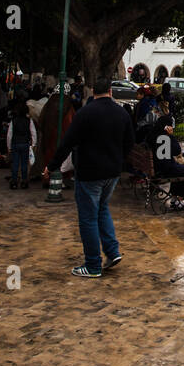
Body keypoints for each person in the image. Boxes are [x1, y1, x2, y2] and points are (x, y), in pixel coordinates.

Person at [46, 78, 134, 278]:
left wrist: (52, 166)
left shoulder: (85, 113)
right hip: (111, 172)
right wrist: (118, 160)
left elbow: (67, 143)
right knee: (102, 209)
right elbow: (130, 142)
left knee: (88, 217)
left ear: (93, 91)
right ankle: (112, 251)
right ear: (111, 91)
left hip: (89, 172)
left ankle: (93, 264)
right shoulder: (122, 113)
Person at [151, 107, 184, 210]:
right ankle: (180, 199)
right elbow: (176, 151)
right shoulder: (164, 138)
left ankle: (175, 199)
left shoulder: (153, 134)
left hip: (157, 167)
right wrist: (171, 136)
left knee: (180, 169)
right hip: (164, 170)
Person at [8, 99, 37, 189]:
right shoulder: (29, 121)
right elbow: (33, 133)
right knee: (24, 164)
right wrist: (34, 144)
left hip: (15, 143)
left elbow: (10, 134)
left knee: (15, 163)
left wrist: (9, 146)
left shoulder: (13, 121)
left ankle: (14, 181)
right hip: (25, 143)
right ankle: (24, 181)